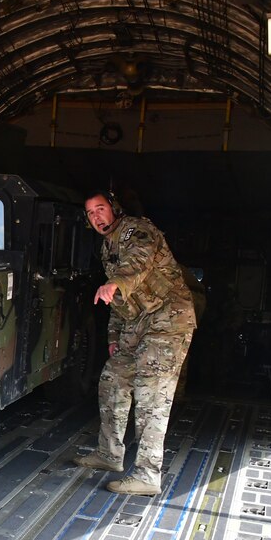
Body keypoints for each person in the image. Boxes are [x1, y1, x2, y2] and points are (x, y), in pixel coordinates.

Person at [74, 190, 196, 495]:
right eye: (90, 213)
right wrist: (114, 337)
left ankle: (147, 474)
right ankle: (109, 454)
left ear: (113, 209)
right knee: (112, 378)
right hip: (137, 323)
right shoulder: (108, 246)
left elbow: (137, 263)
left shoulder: (137, 231)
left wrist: (116, 282)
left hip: (168, 320)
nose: (96, 217)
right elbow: (118, 299)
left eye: (100, 208)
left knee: (151, 396)